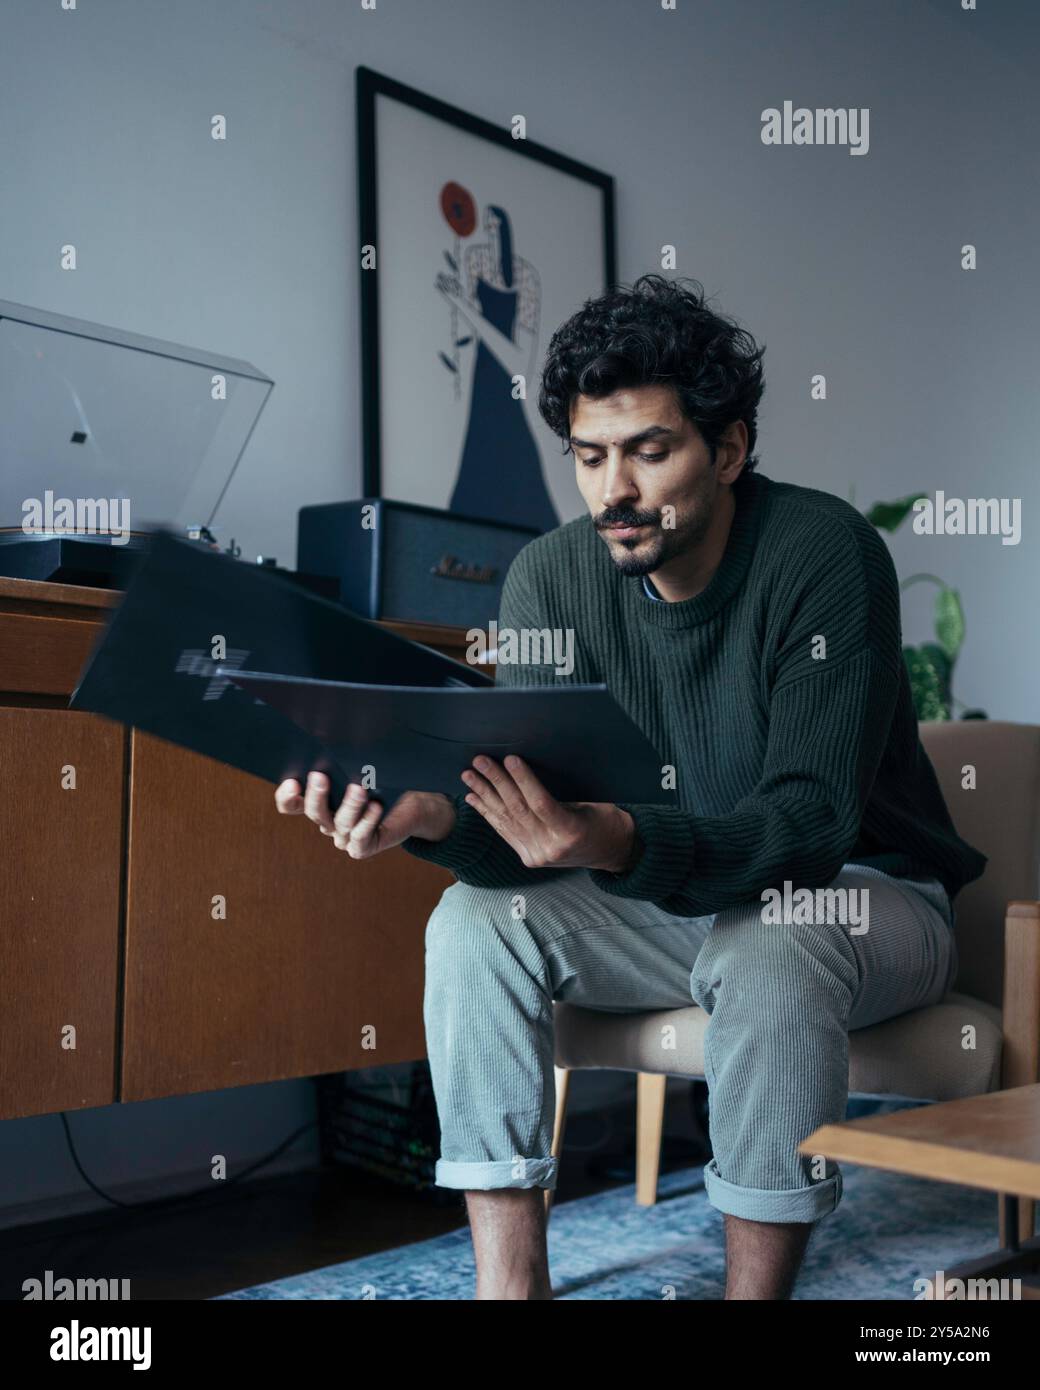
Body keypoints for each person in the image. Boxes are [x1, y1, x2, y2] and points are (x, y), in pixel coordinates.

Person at [275, 274, 987, 1300]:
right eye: (590, 454)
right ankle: (507, 1286)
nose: (613, 489)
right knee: (471, 922)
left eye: (649, 451)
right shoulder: (547, 579)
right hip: (664, 898)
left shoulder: (822, 553)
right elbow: (533, 830)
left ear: (728, 450)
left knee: (769, 936)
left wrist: (611, 839)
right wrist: (430, 815)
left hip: (858, 892)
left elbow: (806, 824)